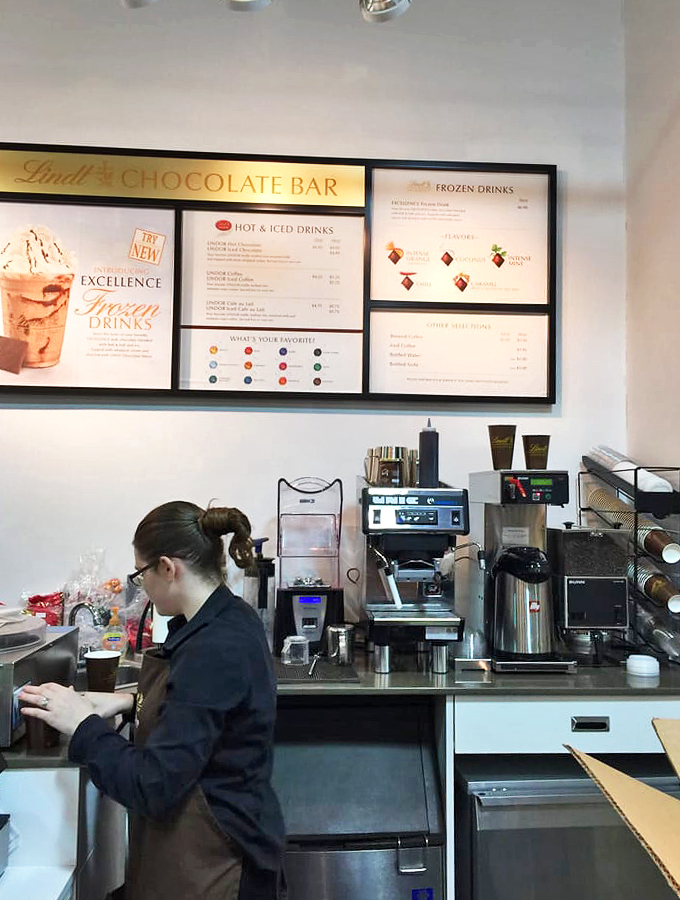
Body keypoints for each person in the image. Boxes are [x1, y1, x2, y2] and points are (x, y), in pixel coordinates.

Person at [20, 500, 285, 900]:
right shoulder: (226, 618)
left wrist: (83, 725)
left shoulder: (213, 649)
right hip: (221, 843)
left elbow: (152, 784)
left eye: (141, 573)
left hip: (221, 866)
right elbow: (203, 708)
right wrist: (128, 701)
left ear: (167, 567)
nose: (141, 585)